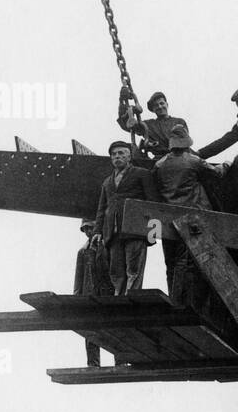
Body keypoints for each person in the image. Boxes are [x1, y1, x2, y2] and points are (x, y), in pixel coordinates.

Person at [153, 125, 225, 301]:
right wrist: (227, 164)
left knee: (170, 262)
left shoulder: (159, 164)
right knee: (190, 261)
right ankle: (188, 301)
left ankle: (173, 297)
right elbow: (217, 173)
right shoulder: (194, 161)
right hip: (191, 217)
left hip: (168, 218)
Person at [93, 141, 161, 295]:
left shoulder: (142, 174)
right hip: (112, 233)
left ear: (129, 156)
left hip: (135, 230)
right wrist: (98, 231)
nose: (117, 156)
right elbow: (102, 209)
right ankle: (118, 299)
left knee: (134, 270)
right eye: (114, 154)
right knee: (115, 272)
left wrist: (152, 232)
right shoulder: (106, 182)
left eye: (121, 153)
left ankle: (130, 300)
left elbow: (153, 202)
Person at [74, 218, 113, 366]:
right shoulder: (83, 252)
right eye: (85, 229)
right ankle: (93, 363)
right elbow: (78, 278)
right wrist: (77, 299)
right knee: (90, 330)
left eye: (90, 228)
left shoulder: (109, 247)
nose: (88, 232)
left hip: (107, 294)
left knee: (114, 328)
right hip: (89, 296)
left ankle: (120, 361)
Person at [126, 90, 189, 160]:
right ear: (153, 110)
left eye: (162, 103)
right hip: (158, 160)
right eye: (156, 105)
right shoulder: (148, 125)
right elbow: (129, 125)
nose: (160, 106)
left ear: (167, 105)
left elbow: (185, 142)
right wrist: (122, 102)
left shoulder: (179, 122)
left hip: (179, 158)